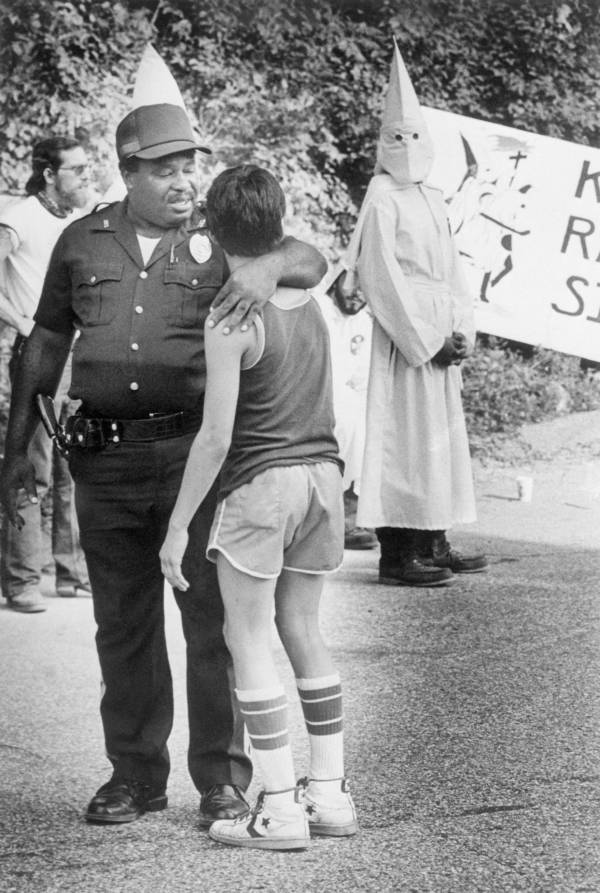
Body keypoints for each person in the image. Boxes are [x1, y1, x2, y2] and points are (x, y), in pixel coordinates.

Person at [0, 62, 327, 826]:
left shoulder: (218, 239)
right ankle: (135, 774)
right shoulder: (81, 242)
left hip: (195, 461)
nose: (184, 181)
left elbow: (310, 260)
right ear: (128, 172)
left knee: (213, 620)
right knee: (123, 624)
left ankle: (221, 777)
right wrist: (17, 448)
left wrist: (271, 264)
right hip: (104, 460)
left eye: (190, 166)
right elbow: (44, 343)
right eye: (166, 169)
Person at [160, 164, 358, 851]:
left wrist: (178, 524)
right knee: (303, 629)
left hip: (262, 486)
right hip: (322, 479)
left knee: (246, 637)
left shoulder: (231, 319)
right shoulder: (313, 303)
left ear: (213, 230)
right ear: (280, 222)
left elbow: (216, 437)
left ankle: (276, 808)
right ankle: (329, 795)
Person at [340, 41, 488, 587]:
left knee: (437, 441)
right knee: (402, 441)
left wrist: (462, 330)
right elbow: (380, 275)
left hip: (440, 332)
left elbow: (452, 272)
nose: (406, 147)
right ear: (382, 144)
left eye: (414, 137)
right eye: (395, 138)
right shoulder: (383, 197)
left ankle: (434, 541)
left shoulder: (432, 196)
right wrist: (426, 339)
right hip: (408, 340)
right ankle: (398, 555)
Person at [0, 136, 91, 613]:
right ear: (50, 174)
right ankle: (21, 581)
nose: (86, 176)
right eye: (77, 169)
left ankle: (72, 574)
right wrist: (20, 322)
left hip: (78, 354)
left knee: (75, 464)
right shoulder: (20, 218)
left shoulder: (79, 219)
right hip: (37, 354)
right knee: (31, 465)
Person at [315, 266, 377, 550]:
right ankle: (322, 519)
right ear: (338, 278)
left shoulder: (364, 323)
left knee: (363, 420)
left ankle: (347, 515)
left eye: (365, 291)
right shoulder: (316, 308)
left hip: (346, 400)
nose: (358, 295)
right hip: (314, 394)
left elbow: (362, 380)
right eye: (354, 285)